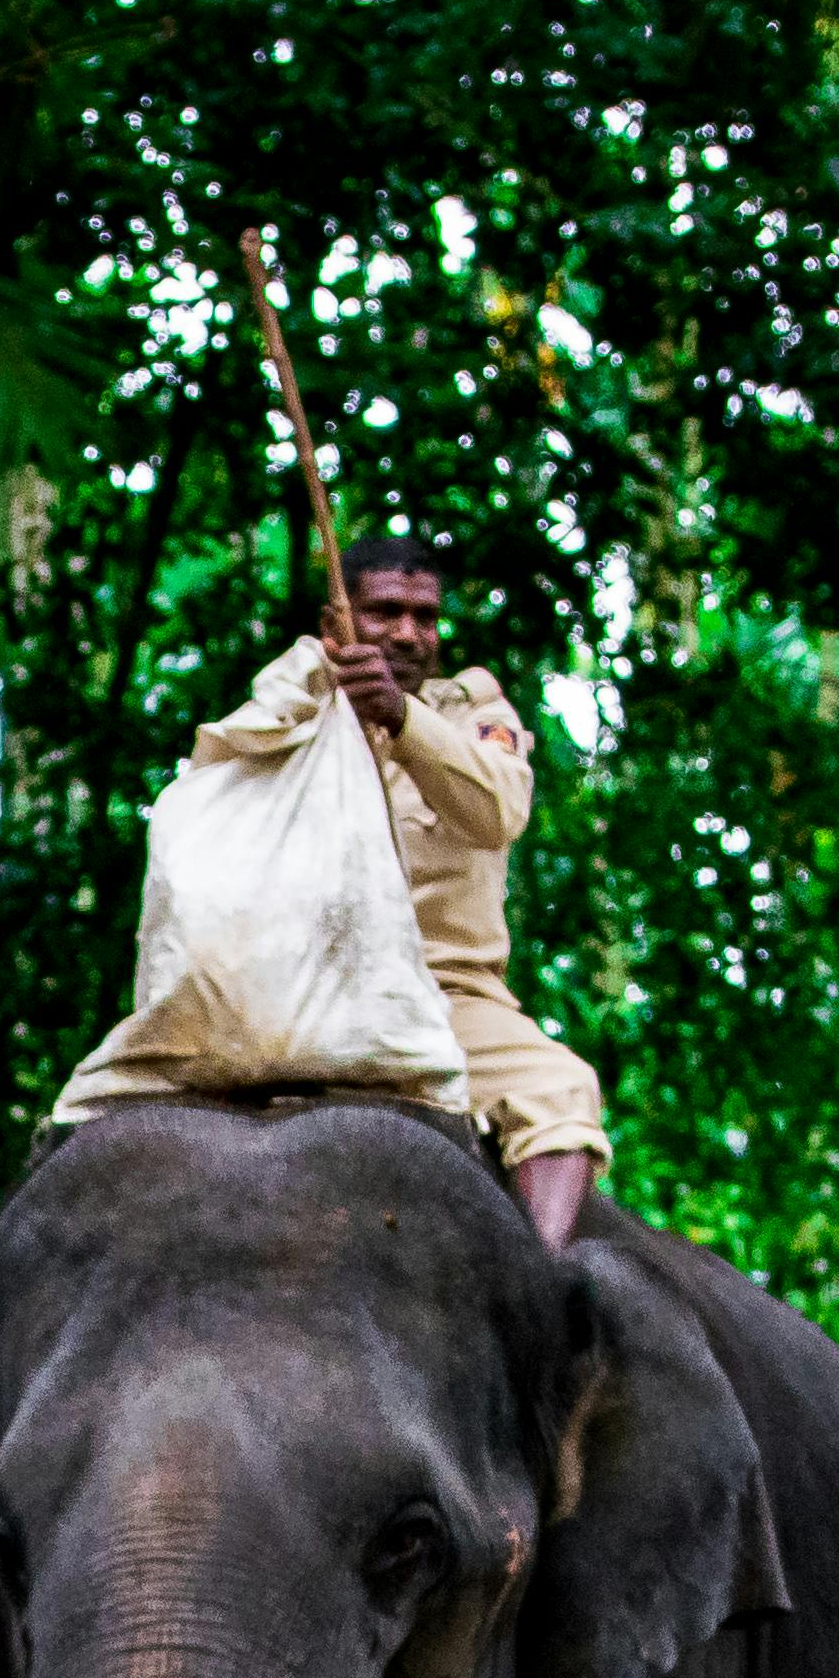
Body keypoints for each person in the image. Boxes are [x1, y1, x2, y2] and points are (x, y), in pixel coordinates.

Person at [326, 531, 611, 1244]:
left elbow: (496, 810)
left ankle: (538, 1282)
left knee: (561, 1090)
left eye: (425, 616)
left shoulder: (479, 717)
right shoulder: (286, 716)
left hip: (447, 1005)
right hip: (299, 997)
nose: (407, 633)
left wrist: (402, 717)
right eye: (383, 611)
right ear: (336, 620)